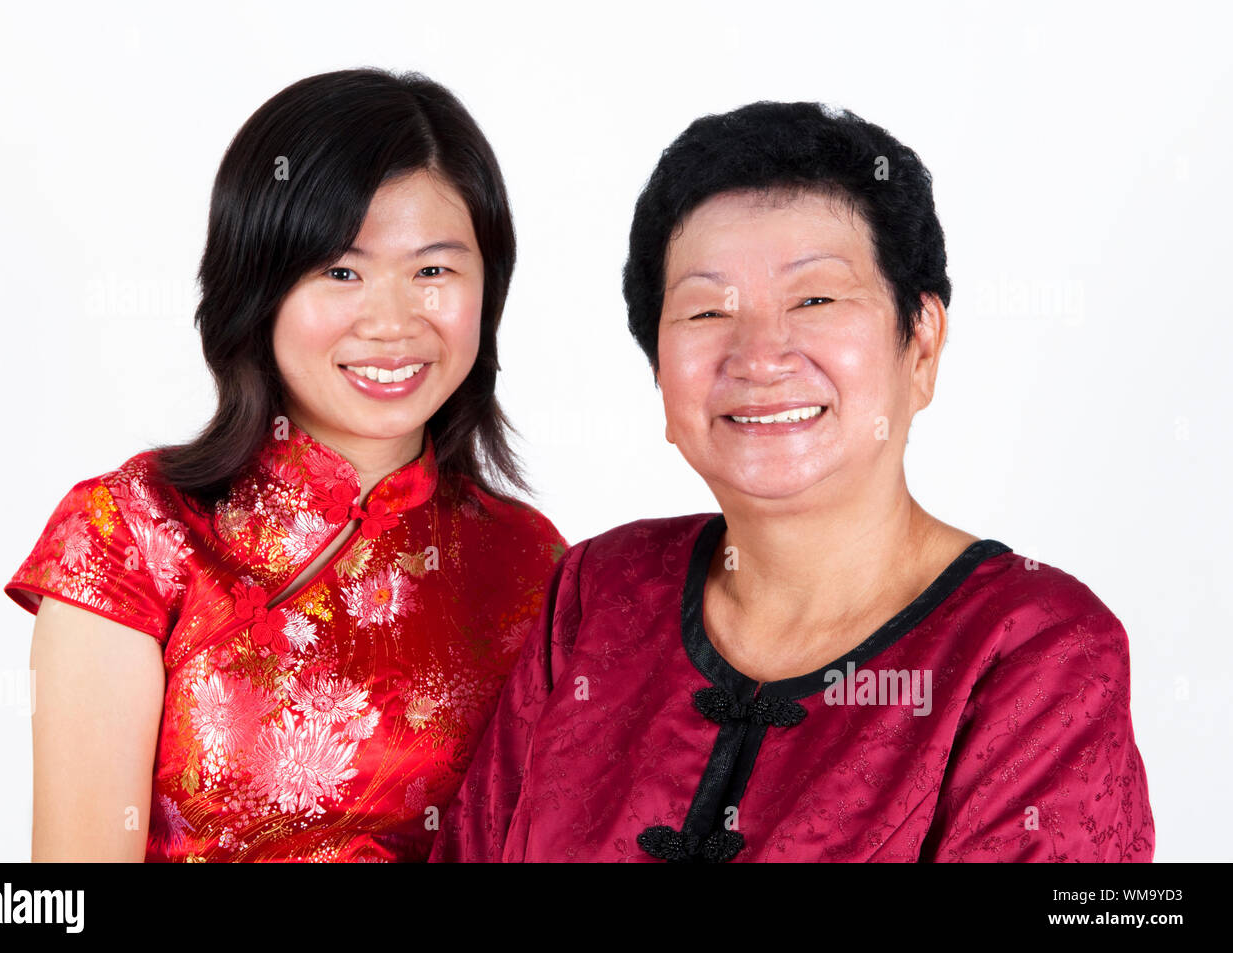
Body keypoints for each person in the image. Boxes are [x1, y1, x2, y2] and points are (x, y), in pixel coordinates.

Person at [430, 101, 1154, 862]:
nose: (760, 355)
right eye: (707, 310)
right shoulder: (598, 591)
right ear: (658, 371)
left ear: (923, 340)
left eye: (815, 299)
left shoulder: (1033, 649)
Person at [4, 68, 565, 862]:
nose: (393, 321)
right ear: (258, 287)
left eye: (434, 270)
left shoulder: (532, 565)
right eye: (341, 271)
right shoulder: (133, 535)